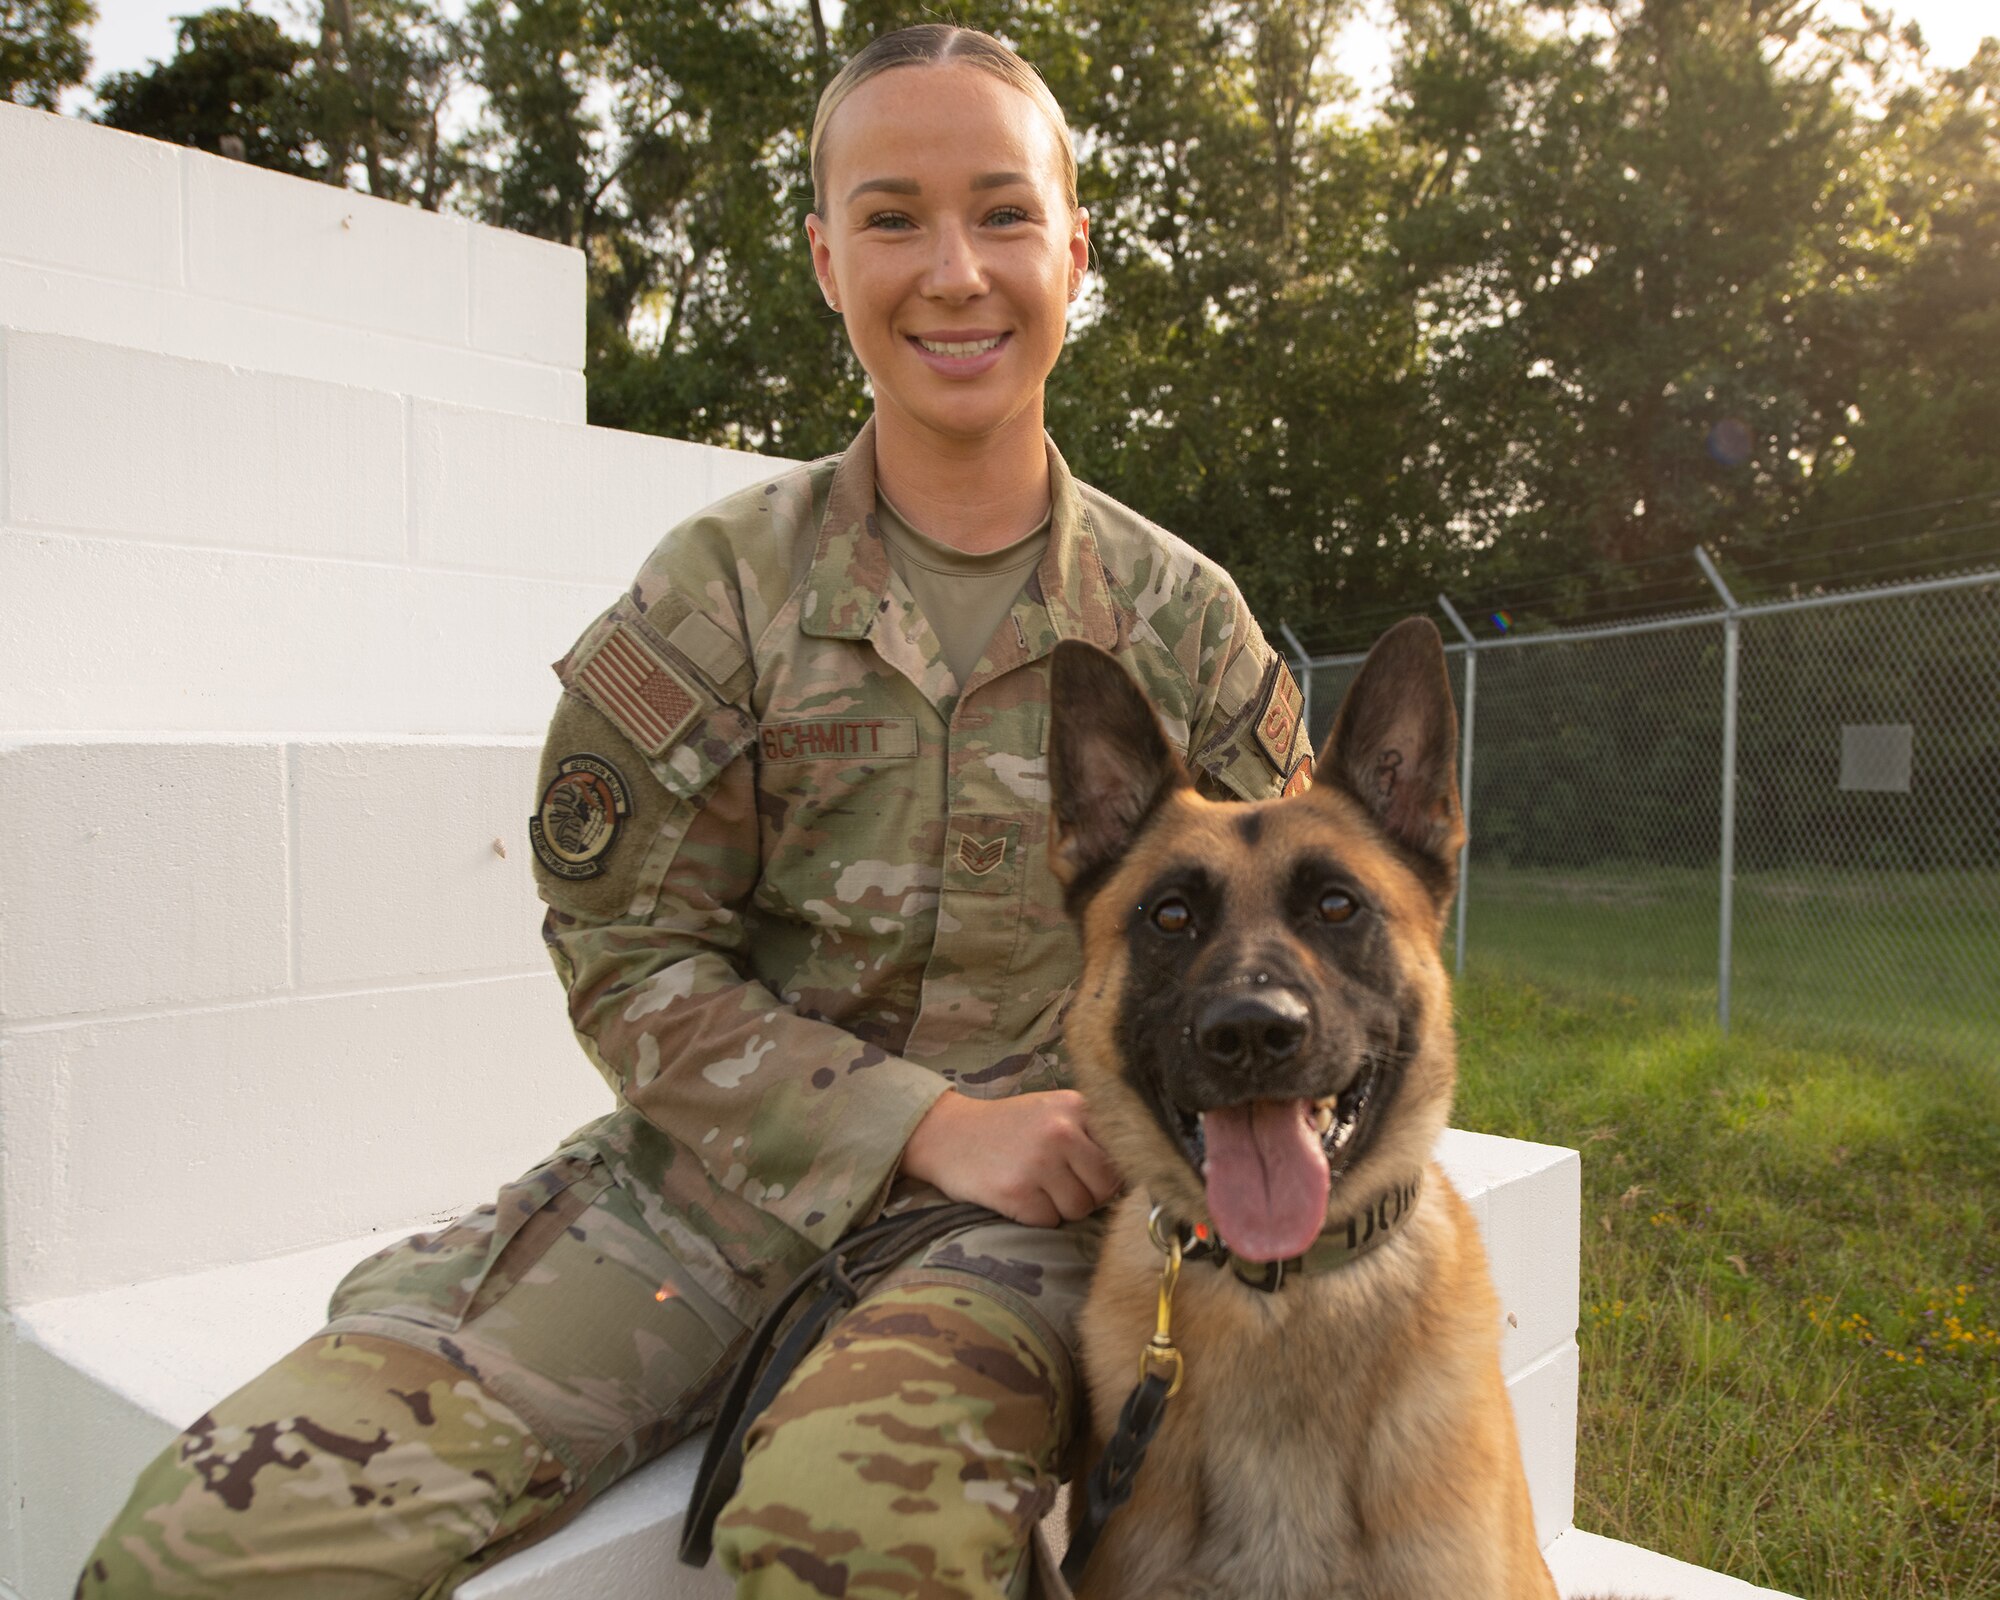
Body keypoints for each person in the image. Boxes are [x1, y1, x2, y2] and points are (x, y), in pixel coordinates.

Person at [78, 24, 1312, 1600]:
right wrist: (925, 1126)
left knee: (856, 1553)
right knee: (209, 1546)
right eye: (890, 216)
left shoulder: (1181, 625)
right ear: (822, 257)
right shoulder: (721, 592)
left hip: (1032, 1221)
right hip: (697, 1195)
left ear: (1075, 250)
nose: (954, 271)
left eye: (1005, 214)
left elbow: (1277, 966)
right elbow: (626, 952)